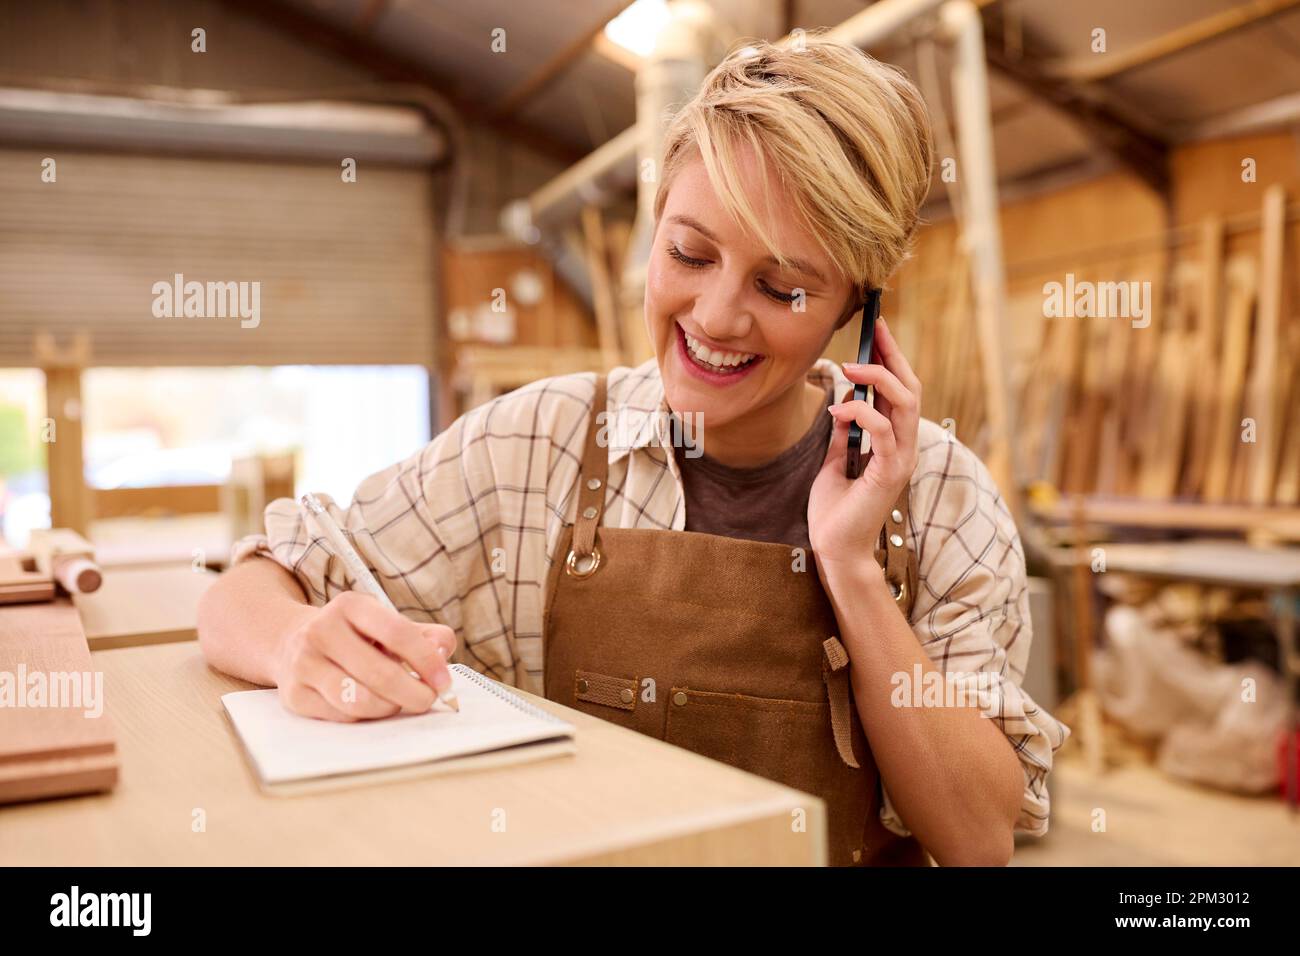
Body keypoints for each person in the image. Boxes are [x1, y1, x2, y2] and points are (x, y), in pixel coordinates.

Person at [198, 35, 1069, 866]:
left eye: (781, 286)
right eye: (689, 253)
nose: (718, 316)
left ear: (857, 310)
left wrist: (853, 569)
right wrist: (297, 645)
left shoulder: (939, 494)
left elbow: (975, 839)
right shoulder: (538, 444)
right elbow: (252, 583)